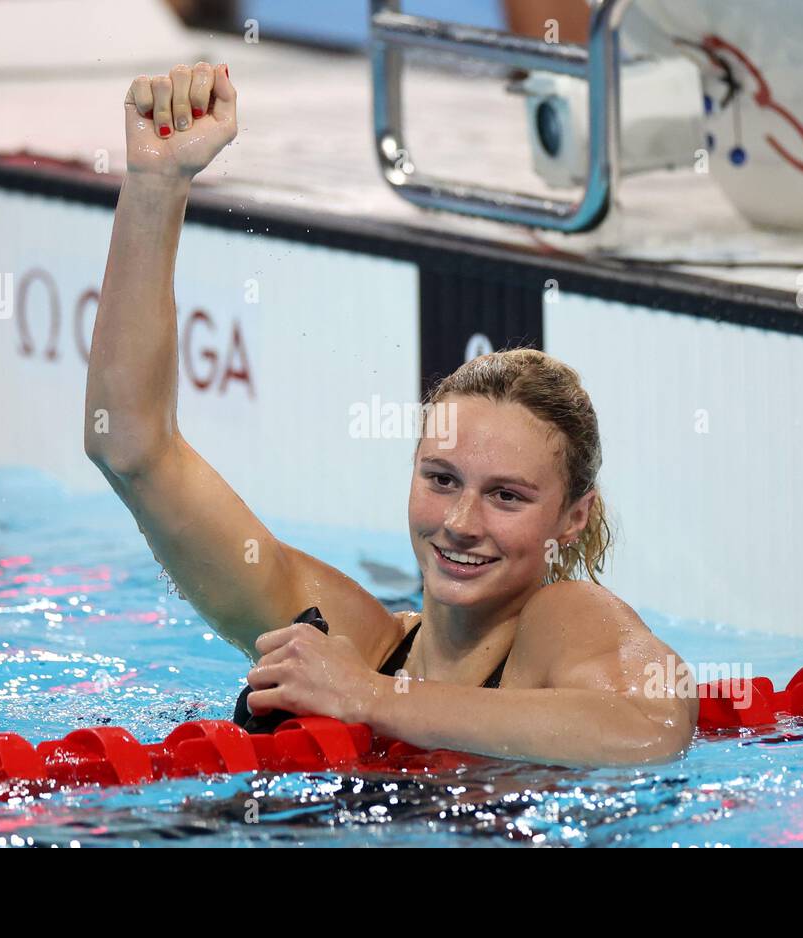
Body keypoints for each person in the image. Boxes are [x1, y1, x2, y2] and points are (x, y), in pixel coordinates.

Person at [84, 62, 697, 768]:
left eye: (506, 496)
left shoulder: (560, 622)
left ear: (573, 518)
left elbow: (647, 730)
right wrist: (157, 185)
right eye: (441, 479)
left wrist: (371, 699)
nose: (461, 523)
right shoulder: (356, 640)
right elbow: (129, 450)